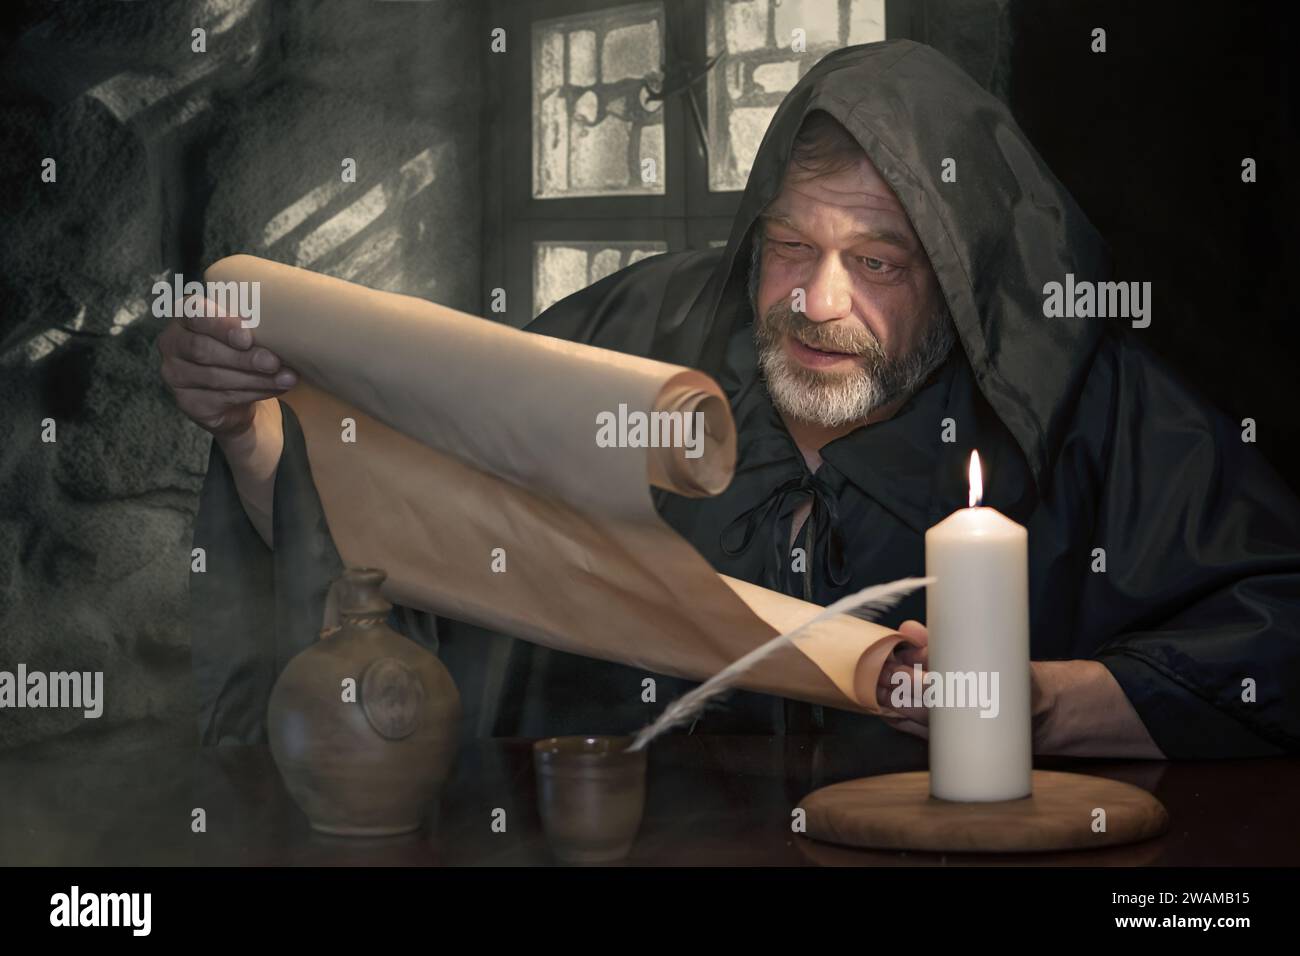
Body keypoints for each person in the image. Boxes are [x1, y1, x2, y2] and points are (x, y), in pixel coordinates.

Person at [160, 40, 1300, 758]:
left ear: (959, 278)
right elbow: (404, 550)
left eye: (881, 262)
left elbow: (1281, 628)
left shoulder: (1076, 398)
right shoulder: (625, 340)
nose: (815, 300)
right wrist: (255, 429)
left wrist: (1047, 702)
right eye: (789, 244)